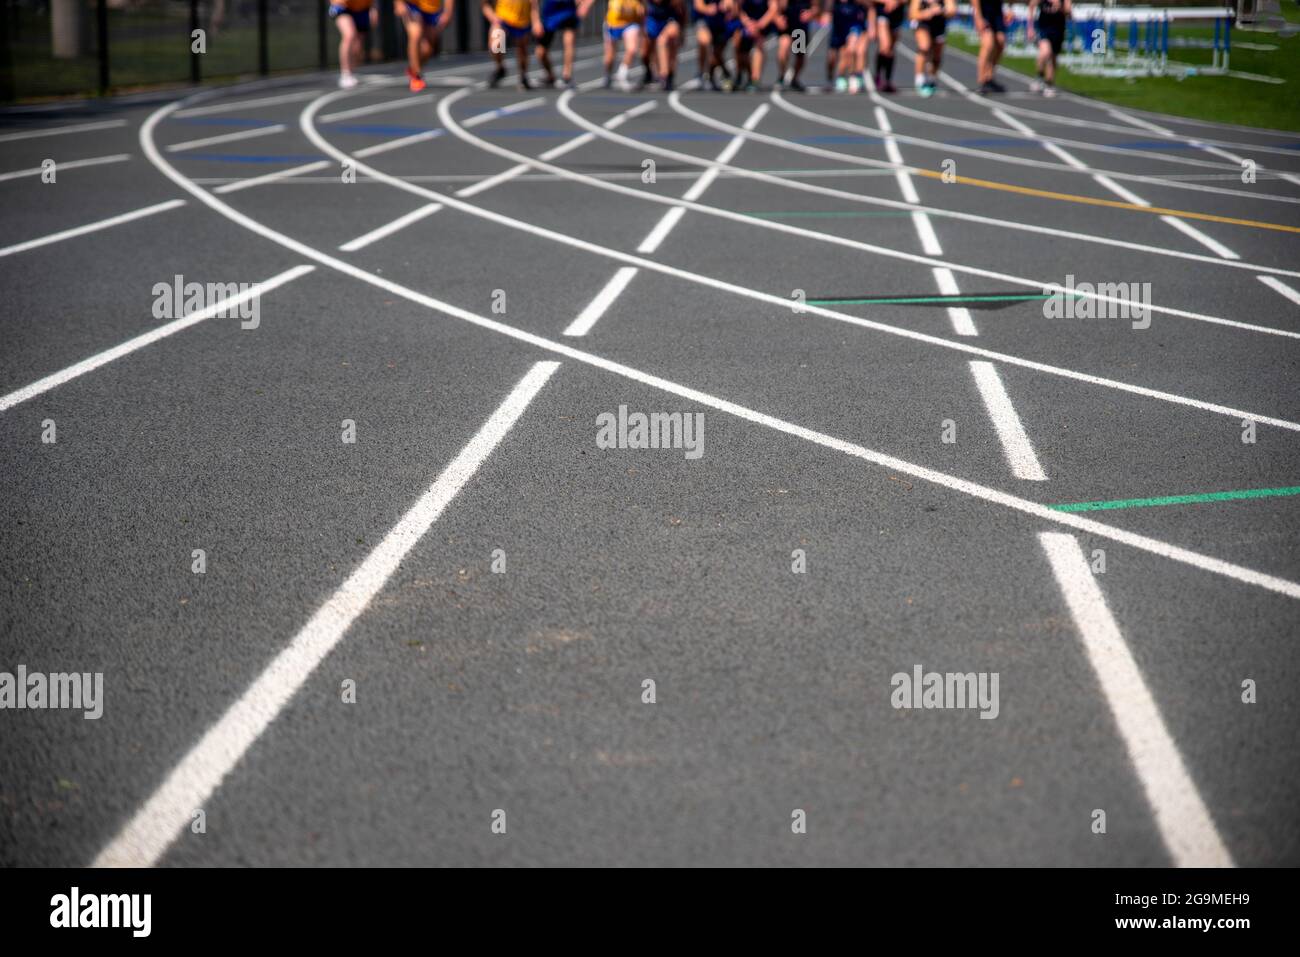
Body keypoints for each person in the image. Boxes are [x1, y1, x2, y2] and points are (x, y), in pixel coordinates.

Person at [536, 0, 593, 88]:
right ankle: (550, 76)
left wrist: (585, 4)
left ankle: (567, 76)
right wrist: (535, 20)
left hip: (568, 9)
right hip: (550, 11)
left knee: (569, 41)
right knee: (540, 52)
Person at [402, 0, 454, 92]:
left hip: (431, 8)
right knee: (415, 34)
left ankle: (413, 68)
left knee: (427, 49)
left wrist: (448, 12)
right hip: (412, 5)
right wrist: (398, 3)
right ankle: (416, 76)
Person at [485, 0, 534, 88]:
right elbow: (485, 4)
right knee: (496, 44)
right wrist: (493, 17)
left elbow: (534, 4)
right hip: (503, 18)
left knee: (522, 49)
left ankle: (523, 75)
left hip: (522, 20)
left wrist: (536, 21)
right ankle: (500, 67)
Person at [909, 0, 953, 96]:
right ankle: (919, 80)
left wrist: (941, 10)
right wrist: (927, 13)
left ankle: (931, 79)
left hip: (939, 25)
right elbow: (912, 14)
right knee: (924, 47)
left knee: (937, 56)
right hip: (923, 24)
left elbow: (952, 10)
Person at [1027, 0, 1070, 97]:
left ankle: (1049, 83)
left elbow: (1069, 13)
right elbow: (1031, 6)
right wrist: (1030, 28)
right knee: (1045, 53)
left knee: (1053, 57)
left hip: (1058, 29)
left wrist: (1061, 8)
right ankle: (1040, 75)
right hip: (1044, 28)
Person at [694, 0, 740, 90]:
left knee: (716, 54)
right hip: (707, 22)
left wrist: (728, 6)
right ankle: (703, 73)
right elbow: (698, 5)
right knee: (704, 41)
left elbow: (733, 8)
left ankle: (716, 76)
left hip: (722, 24)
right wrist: (708, 9)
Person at [775, 0, 820, 91]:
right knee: (783, 50)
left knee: (799, 55)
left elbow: (816, 8)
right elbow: (775, 7)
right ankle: (782, 75)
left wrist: (810, 13)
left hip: (800, 28)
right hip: (787, 25)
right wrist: (777, 18)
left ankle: (795, 78)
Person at [329, 0, 374, 89]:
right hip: (342, 6)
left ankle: (351, 71)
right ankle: (345, 73)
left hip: (362, 8)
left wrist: (373, 8)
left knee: (358, 44)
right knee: (349, 35)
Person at [827, 0, 869, 93]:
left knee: (851, 50)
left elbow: (869, 5)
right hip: (838, 27)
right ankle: (833, 77)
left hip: (853, 24)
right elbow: (828, 8)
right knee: (833, 58)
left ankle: (853, 77)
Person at [603, 0, 646, 89]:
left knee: (632, 49)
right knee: (609, 57)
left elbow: (642, 10)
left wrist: (641, 11)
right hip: (613, 24)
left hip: (630, 24)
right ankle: (608, 74)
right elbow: (617, 8)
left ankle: (622, 74)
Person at [736, 0, 778, 91]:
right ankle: (740, 74)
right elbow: (738, 8)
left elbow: (773, 9)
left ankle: (755, 79)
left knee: (759, 45)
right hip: (747, 22)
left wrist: (759, 25)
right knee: (738, 43)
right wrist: (747, 22)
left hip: (762, 22)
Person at [644, 0, 686, 90]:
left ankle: (666, 76)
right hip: (654, 19)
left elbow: (682, 10)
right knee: (648, 51)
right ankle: (652, 73)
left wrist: (682, 31)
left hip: (670, 19)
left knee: (663, 42)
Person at [973, 0, 1007, 93]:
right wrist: (978, 17)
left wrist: (1010, 8)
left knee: (1001, 42)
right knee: (988, 44)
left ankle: (989, 78)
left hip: (997, 10)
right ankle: (982, 80)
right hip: (984, 11)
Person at [872, 0, 906, 93]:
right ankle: (878, 76)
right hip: (883, 12)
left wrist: (897, 2)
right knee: (885, 46)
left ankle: (887, 80)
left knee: (890, 49)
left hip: (897, 14)